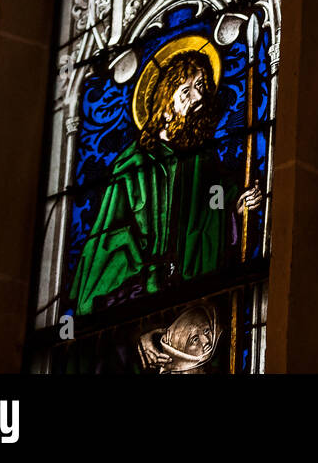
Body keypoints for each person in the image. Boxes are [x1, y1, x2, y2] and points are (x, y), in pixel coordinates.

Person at [70, 43, 261, 316]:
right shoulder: (131, 165)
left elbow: (215, 205)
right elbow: (107, 241)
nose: (198, 98)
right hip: (137, 298)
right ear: (165, 100)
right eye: (187, 90)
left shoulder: (202, 162)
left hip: (189, 300)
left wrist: (234, 209)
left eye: (202, 89)